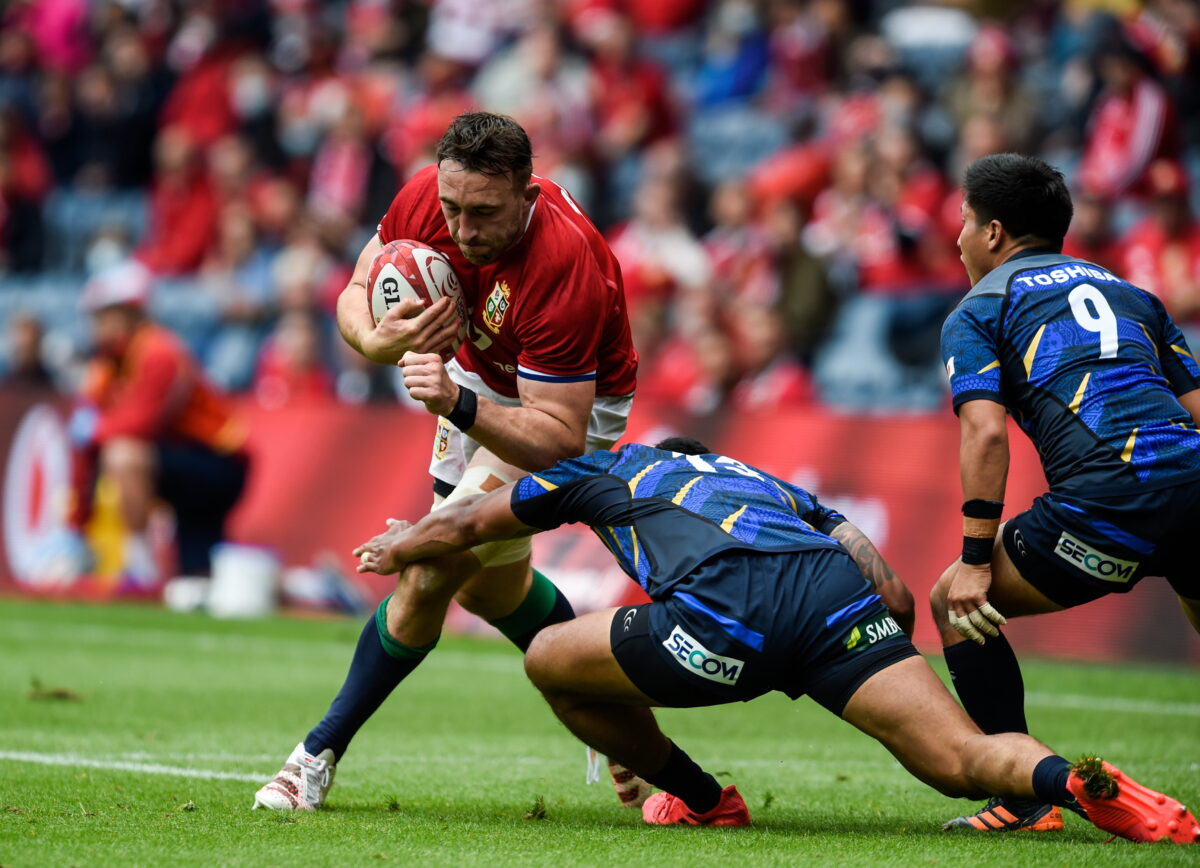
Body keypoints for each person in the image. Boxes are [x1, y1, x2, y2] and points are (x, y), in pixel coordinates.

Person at [353, 437, 1197, 843]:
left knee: (550, 660)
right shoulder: (761, 480)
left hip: (728, 609)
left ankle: (702, 797)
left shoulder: (601, 469)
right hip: (832, 599)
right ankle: (1073, 779)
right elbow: (886, 582)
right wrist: (878, 647)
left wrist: (399, 544)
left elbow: (468, 521)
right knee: (959, 761)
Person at [254, 112, 644, 810]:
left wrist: (458, 407)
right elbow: (354, 294)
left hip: (568, 407)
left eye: (484, 213)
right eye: (452, 208)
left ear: (526, 196)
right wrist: (377, 343)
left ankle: (313, 755)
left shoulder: (562, 265)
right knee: (485, 589)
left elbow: (557, 438)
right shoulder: (425, 200)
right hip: (474, 379)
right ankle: (607, 705)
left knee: (432, 567)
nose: (462, 230)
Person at [933, 152, 1200, 834]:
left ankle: (1024, 802)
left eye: (963, 221)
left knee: (956, 603)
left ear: (994, 233)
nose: (956, 237)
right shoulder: (1132, 292)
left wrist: (972, 556)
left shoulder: (981, 306)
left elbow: (986, 435)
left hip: (1107, 503)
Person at [64, 261, 250, 586]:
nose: (95, 327)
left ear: (128, 314)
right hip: (176, 462)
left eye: (103, 317)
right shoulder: (106, 366)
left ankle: (139, 563)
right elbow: (84, 448)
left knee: (122, 452)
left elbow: (141, 424)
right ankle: (303, 589)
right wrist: (76, 529)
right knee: (200, 581)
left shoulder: (157, 351)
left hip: (218, 461)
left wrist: (94, 429)